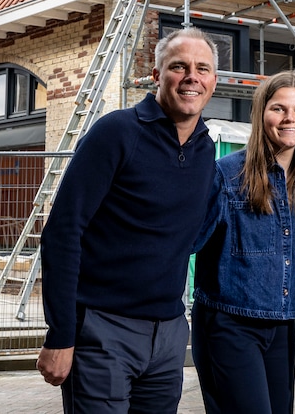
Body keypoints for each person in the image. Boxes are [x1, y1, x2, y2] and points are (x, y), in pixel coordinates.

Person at [38, 27, 219, 414]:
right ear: (156, 75)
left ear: (213, 81)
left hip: (169, 335)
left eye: (202, 68)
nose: (192, 77)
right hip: (104, 331)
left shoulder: (206, 149)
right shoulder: (117, 132)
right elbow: (62, 233)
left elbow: (190, 235)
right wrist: (61, 334)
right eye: (178, 67)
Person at [191, 70, 295, 414]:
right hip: (228, 321)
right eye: (279, 109)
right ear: (261, 113)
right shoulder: (225, 174)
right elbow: (186, 241)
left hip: (281, 323)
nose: (290, 118)